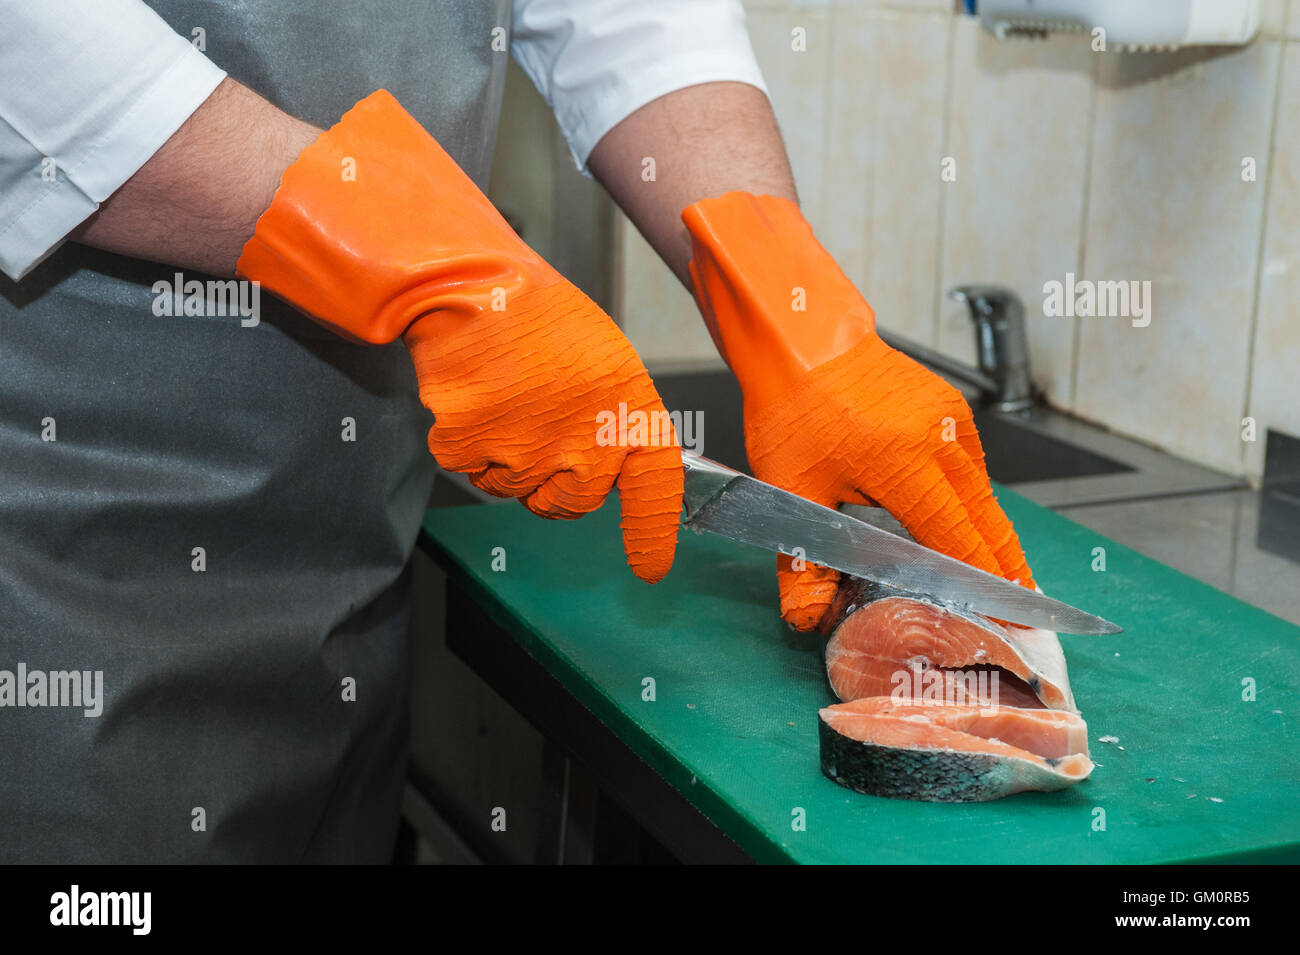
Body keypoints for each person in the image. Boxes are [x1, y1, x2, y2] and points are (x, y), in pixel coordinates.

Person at [0, 0, 1034, 863]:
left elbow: (625, 12)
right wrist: (422, 261)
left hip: (348, 557)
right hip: (60, 558)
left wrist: (787, 303)